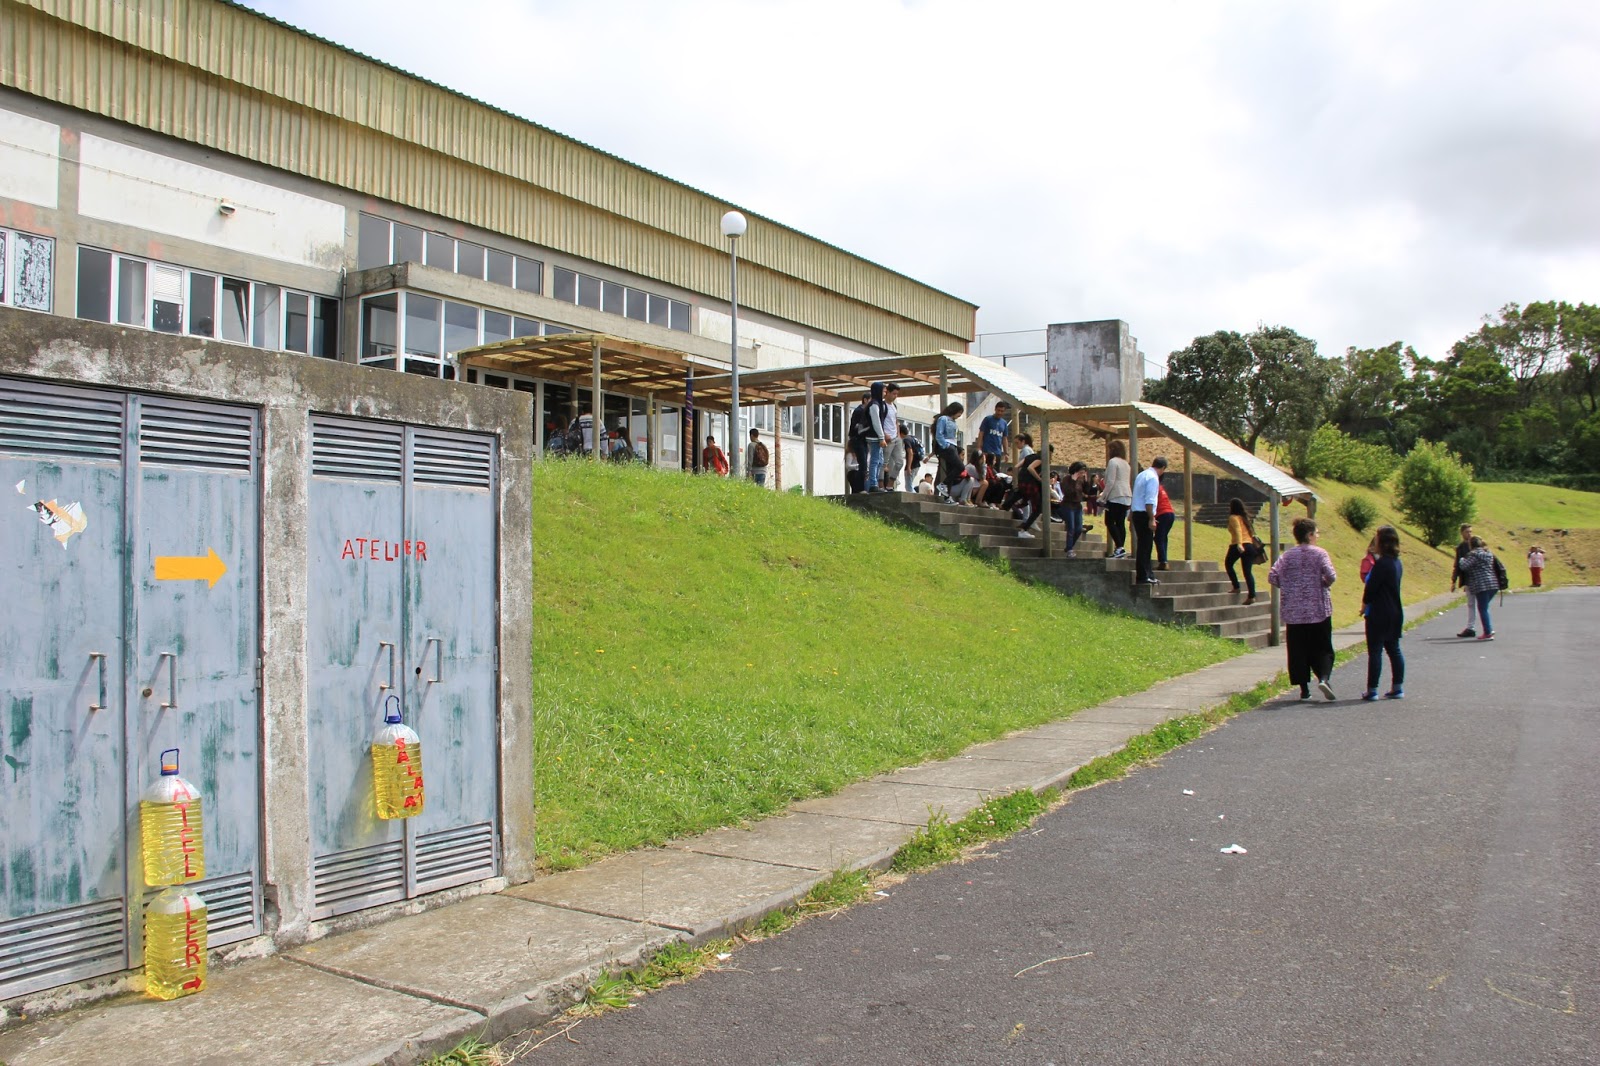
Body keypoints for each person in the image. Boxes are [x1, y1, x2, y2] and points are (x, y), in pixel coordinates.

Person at [1267, 517, 1338, 701]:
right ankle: (1323, 678)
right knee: (1323, 647)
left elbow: (1273, 575)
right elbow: (1331, 575)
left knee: (1298, 650)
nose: (1318, 536)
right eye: (1316, 533)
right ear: (1310, 535)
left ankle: (1304, 690)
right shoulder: (1320, 553)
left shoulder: (1287, 555)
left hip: (1294, 612)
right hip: (1318, 609)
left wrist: (1288, 586)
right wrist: (1323, 583)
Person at [1361, 525, 1405, 701]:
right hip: (1394, 611)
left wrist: (1365, 604)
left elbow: (1371, 589)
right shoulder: (1397, 563)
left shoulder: (1381, 564)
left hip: (1378, 612)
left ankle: (1372, 690)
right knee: (1394, 649)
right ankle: (1397, 687)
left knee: (1375, 651)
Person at [1131, 455, 1166, 585]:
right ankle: (1143, 575)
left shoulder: (1142, 475)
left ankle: (1147, 574)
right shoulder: (1153, 478)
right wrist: (1152, 518)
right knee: (1145, 546)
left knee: (1143, 544)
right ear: (1163, 468)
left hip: (1137, 512)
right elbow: (1149, 501)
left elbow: (1136, 495)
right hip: (1145, 513)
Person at [1458, 535, 1500, 641]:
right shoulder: (1488, 554)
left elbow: (1464, 566)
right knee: (1485, 607)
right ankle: (1489, 629)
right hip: (1493, 583)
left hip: (1481, 584)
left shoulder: (1474, 555)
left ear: (1471, 545)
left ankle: (1488, 633)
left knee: (1482, 609)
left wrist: (1461, 559)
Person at [1224, 498, 1260, 605]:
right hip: (1250, 546)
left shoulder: (1233, 518)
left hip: (1238, 545)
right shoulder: (1244, 518)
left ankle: (1236, 587)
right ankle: (1252, 596)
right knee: (1247, 572)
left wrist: (1239, 544)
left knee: (1228, 564)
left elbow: (1237, 530)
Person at [1102, 440, 1132, 559]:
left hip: (1115, 495)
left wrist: (1103, 496)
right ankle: (1120, 548)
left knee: (1109, 521)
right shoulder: (1126, 463)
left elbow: (1110, 481)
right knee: (1120, 523)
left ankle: (1119, 547)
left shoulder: (1113, 462)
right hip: (1126, 496)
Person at [933, 401, 964, 500]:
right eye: (959, 412)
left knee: (951, 470)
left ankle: (946, 496)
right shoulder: (943, 419)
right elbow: (939, 434)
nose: (959, 415)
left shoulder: (953, 422)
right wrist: (945, 445)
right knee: (960, 466)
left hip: (953, 446)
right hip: (947, 446)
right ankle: (943, 485)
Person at [1450, 523, 1477, 637]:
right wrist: (1454, 581)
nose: (1469, 534)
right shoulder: (1461, 548)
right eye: (1467, 532)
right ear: (1462, 533)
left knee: (1481, 605)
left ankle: (1484, 627)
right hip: (1468, 579)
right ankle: (1471, 627)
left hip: (1478, 578)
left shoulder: (1476, 544)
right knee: (1471, 604)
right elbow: (1457, 565)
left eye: (1470, 531)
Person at [1013, 448, 1046, 540]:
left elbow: (1016, 467)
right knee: (1037, 508)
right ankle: (1025, 528)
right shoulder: (1040, 459)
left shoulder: (1029, 457)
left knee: (1028, 503)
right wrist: (1039, 479)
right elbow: (1030, 468)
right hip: (1030, 484)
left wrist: (1016, 481)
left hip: (1023, 483)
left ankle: (1028, 523)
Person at [1060, 461, 1087, 556]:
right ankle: (1070, 549)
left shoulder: (1081, 480)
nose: (1082, 473)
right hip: (1068, 505)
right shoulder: (1066, 479)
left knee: (1079, 529)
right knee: (1071, 527)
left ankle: (1069, 546)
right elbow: (1068, 492)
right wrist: (1073, 480)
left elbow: (1086, 491)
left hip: (1077, 506)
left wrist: (1086, 481)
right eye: (1081, 471)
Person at [847, 392, 872, 491]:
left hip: (862, 440)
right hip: (858, 439)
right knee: (863, 464)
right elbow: (857, 427)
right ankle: (860, 489)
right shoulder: (859, 411)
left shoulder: (864, 411)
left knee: (864, 464)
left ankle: (862, 488)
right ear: (865, 400)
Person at [978, 401, 1011, 470]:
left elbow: (1004, 438)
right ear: (995, 409)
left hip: (997, 452)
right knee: (986, 471)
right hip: (987, 451)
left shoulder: (1004, 423)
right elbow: (981, 433)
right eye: (998, 410)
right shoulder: (987, 419)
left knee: (996, 472)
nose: (1000, 413)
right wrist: (979, 448)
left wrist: (1006, 453)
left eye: (1002, 411)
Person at [1154, 482, 1176, 570]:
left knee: (1159, 538)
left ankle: (1163, 561)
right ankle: (1164, 560)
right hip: (1170, 513)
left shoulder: (1154, 487)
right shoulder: (1160, 488)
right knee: (1163, 537)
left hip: (1162, 514)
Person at [900, 425, 924, 492]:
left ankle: (915, 498)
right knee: (909, 485)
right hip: (917, 463)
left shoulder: (906, 440)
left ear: (900, 432)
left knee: (908, 486)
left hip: (912, 465)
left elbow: (910, 453)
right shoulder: (913, 437)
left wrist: (909, 467)